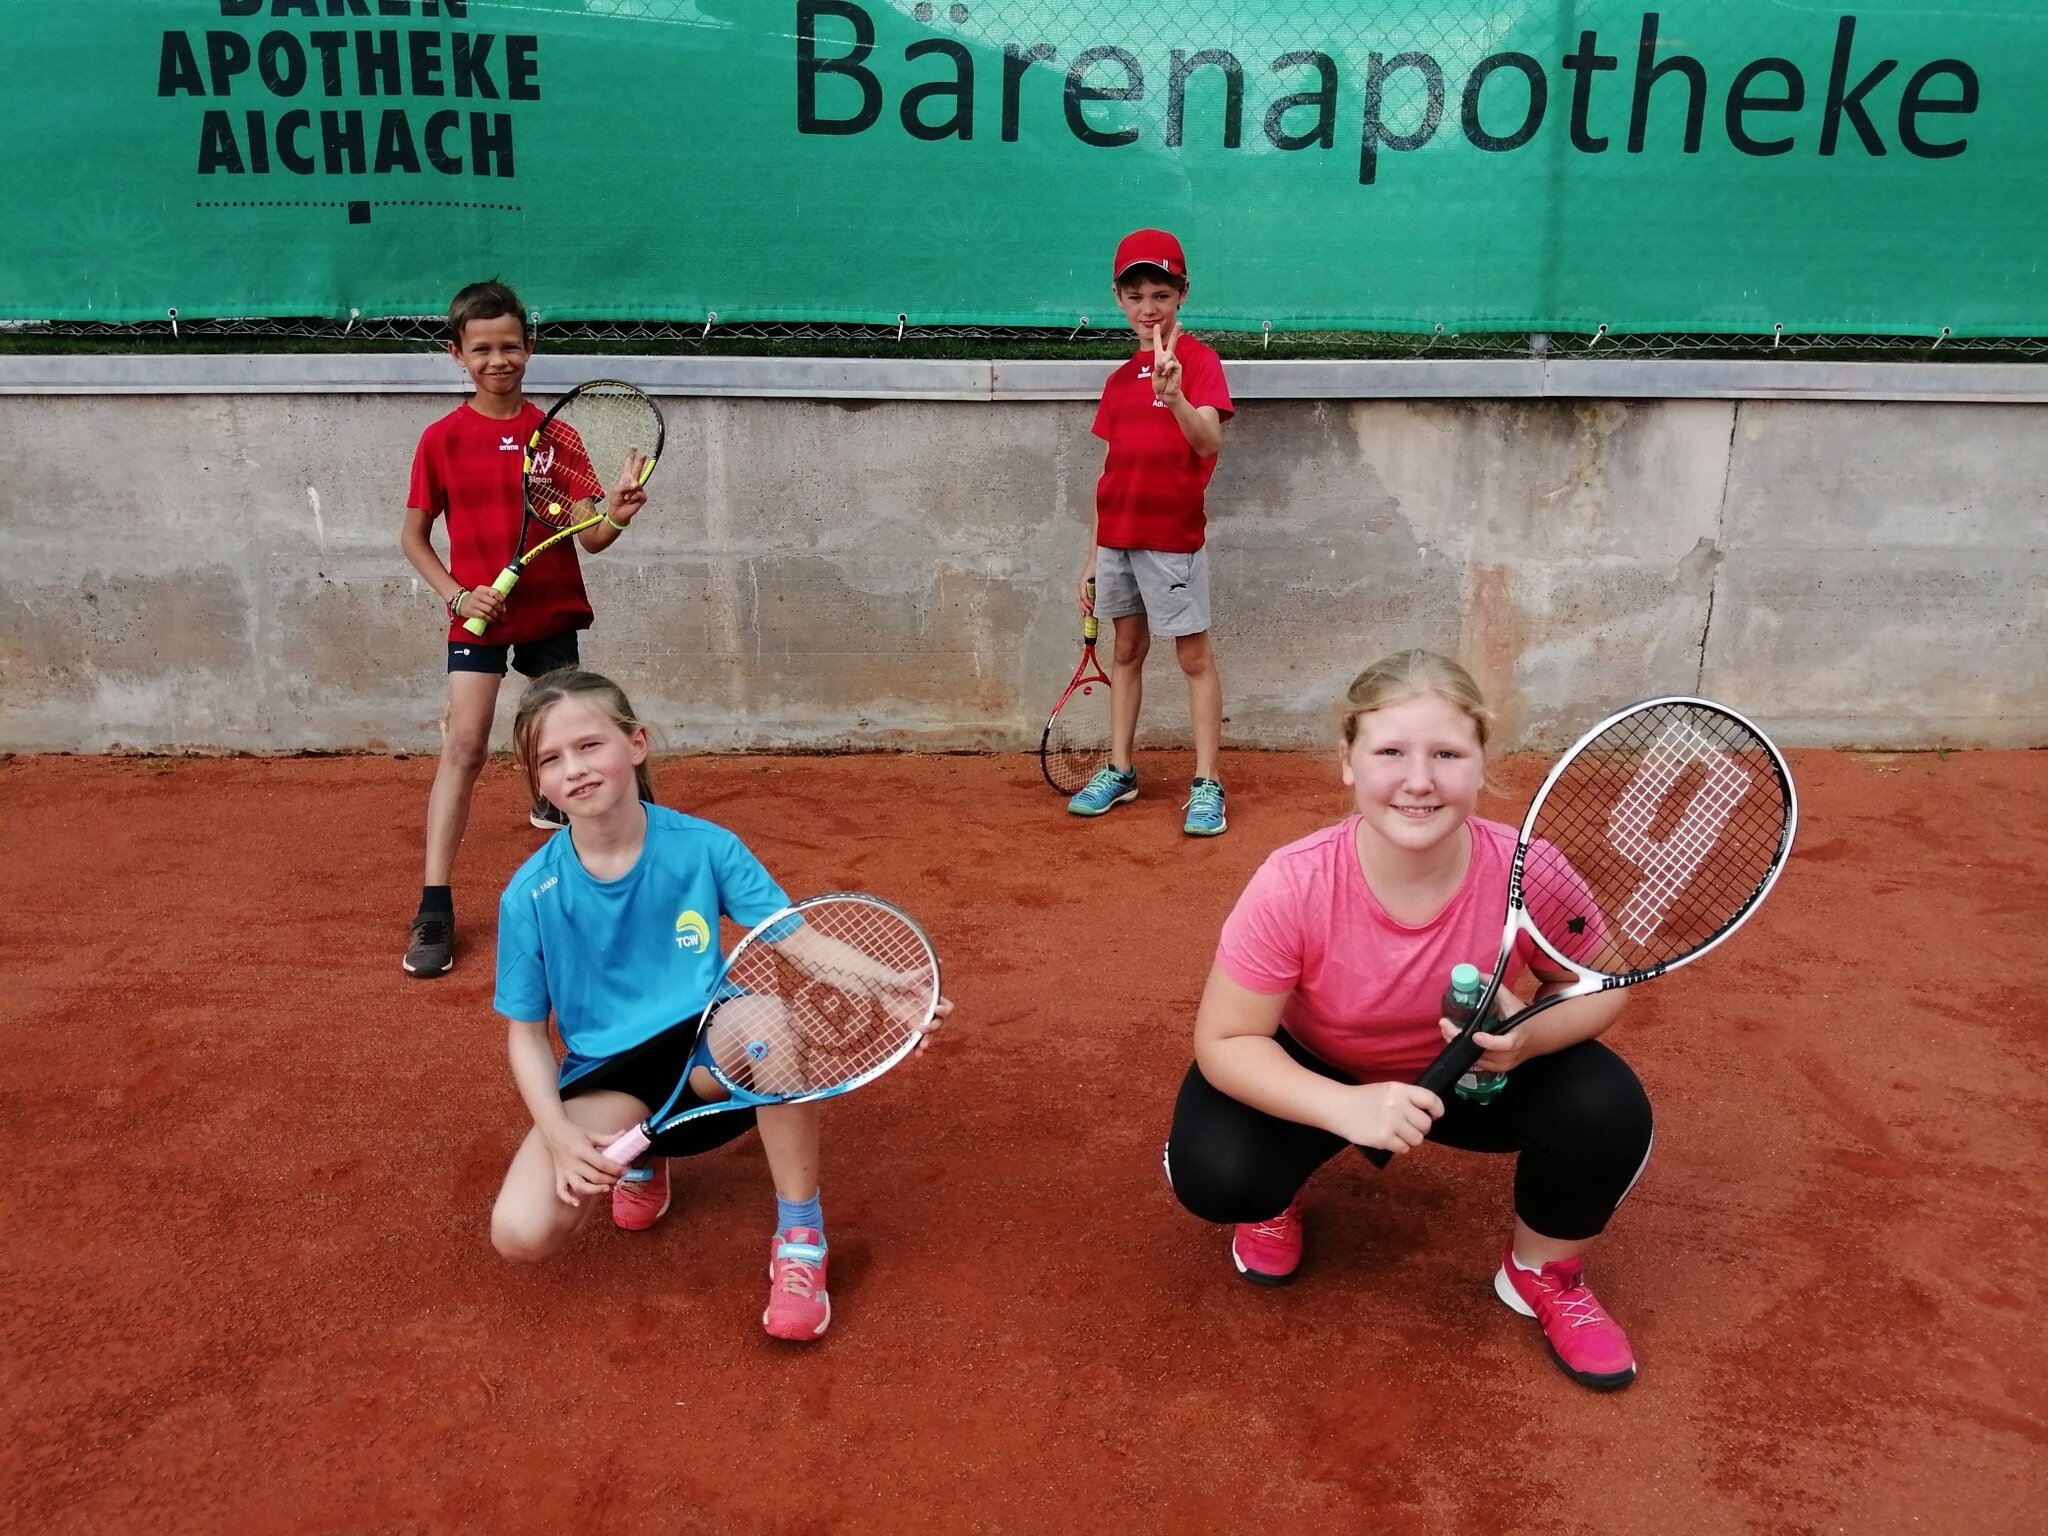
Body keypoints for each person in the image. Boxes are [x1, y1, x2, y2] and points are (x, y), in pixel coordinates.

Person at [1162, 651, 1653, 1391]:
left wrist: (1527, 1039)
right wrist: (1346, 1106)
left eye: (1447, 754)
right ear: (1348, 763)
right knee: (1220, 1175)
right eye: (1390, 752)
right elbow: (1226, 1040)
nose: (1419, 780)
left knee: (1607, 1110)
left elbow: (1598, 984)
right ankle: (1275, 1195)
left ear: (1482, 764)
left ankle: (1541, 1273)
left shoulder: (1530, 867)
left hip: (1471, 1073)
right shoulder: (1294, 883)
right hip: (1320, 1068)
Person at [487, 668, 952, 1342]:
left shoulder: (703, 847)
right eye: (551, 760)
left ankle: (800, 1238)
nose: (575, 769)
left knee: (771, 1024)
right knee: (520, 1233)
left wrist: (890, 986)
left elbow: (798, 939)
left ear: (636, 744)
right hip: (611, 1077)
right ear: (538, 782)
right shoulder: (530, 893)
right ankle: (643, 1158)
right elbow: (526, 1036)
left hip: (712, 1047)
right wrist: (560, 1136)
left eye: (589, 745)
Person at [398, 280, 646, 979]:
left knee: (583, 750)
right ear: (456, 354)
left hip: (550, 614)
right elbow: (414, 537)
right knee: (466, 746)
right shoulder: (441, 440)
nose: (497, 359)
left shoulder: (555, 436)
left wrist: (618, 512)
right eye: (482, 349)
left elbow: (589, 536)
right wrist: (457, 593)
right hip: (478, 615)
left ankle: (611, 894)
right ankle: (434, 907)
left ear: (529, 349)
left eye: (510, 346)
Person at [1067, 228, 1235, 836]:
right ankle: (1120, 769)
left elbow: (1210, 441)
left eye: (1160, 294)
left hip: (1173, 542)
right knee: (1126, 652)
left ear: (1182, 294)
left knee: (1193, 657)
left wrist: (1178, 397)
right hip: (1117, 541)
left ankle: (1208, 783)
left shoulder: (1200, 362)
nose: (1148, 308)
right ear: (1118, 299)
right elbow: (1109, 474)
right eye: (1135, 295)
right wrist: (1091, 556)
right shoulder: (1116, 381)